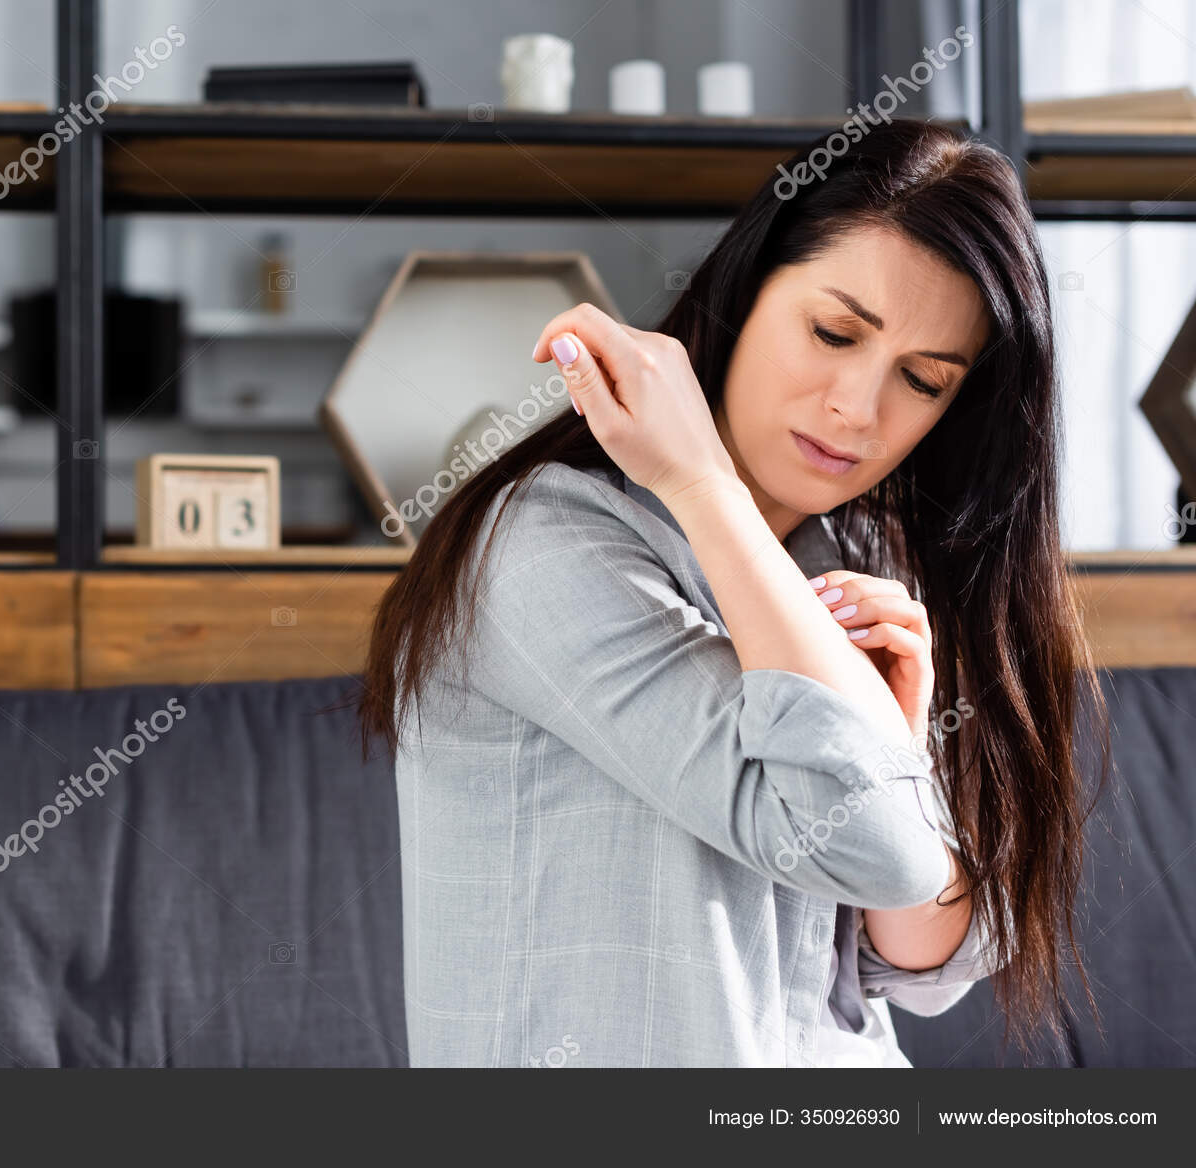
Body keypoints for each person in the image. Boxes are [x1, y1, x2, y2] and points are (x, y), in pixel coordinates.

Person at [357, 118, 1110, 1067]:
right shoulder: (542, 548)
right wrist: (704, 485)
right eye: (833, 333)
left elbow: (933, 964)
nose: (858, 409)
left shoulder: (863, 560)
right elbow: (878, 849)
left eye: (922, 381)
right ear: (746, 294)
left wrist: (901, 742)